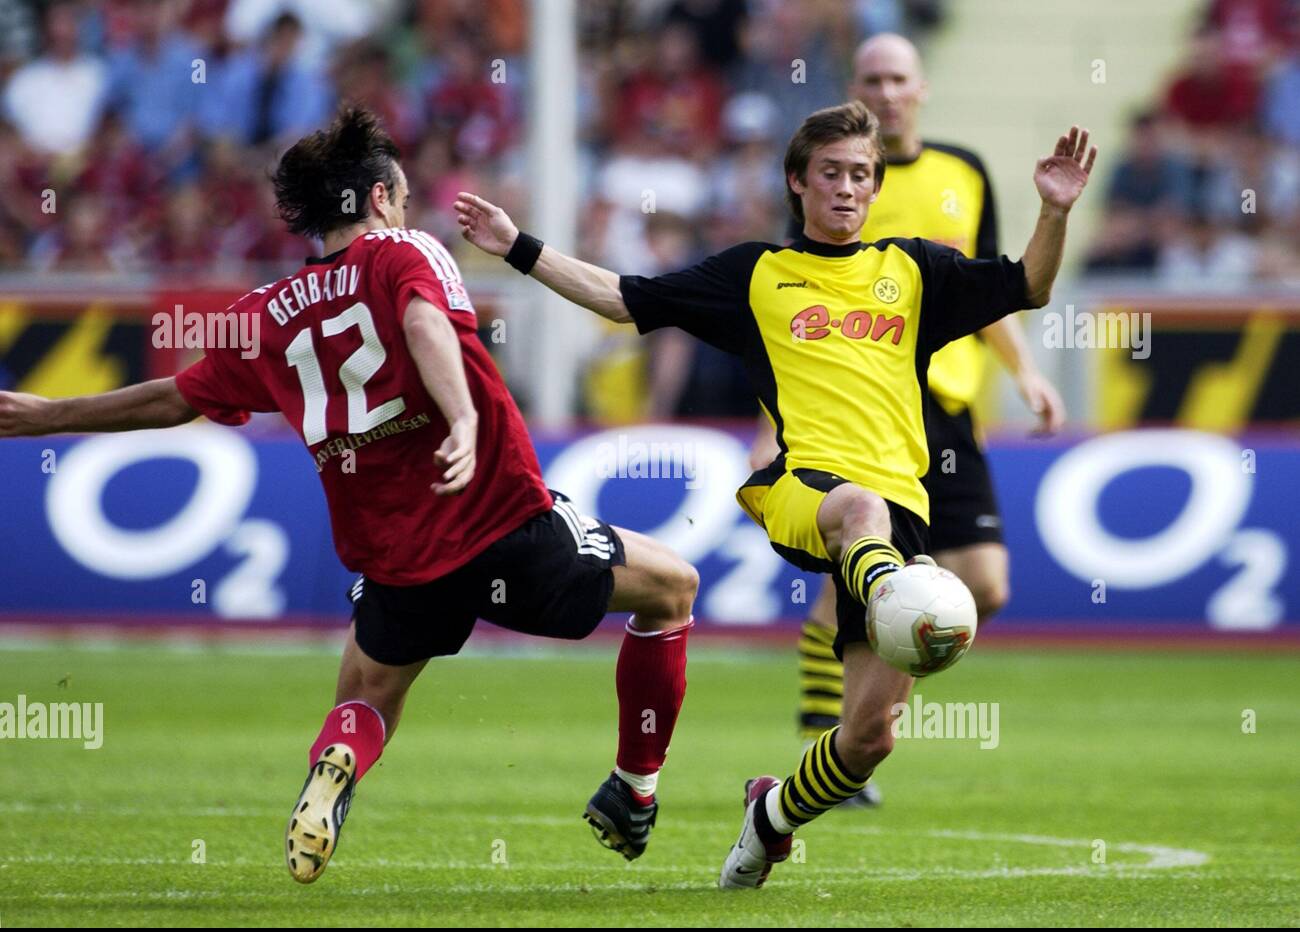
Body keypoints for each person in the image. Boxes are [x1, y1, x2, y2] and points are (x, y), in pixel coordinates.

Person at [0, 108, 700, 884]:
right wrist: (463, 415)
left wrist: (48, 415)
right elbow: (425, 322)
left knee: (367, 695)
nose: (404, 205)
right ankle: (634, 790)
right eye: (398, 192)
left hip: (397, 561)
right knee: (672, 585)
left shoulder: (263, 314)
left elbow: (177, 397)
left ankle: (339, 758)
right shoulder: (402, 251)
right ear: (378, 195)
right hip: (498, 516)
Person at [455, 100, 1095, 888]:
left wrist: (1054, 210)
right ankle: (897, 594)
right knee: (859, 512)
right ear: (798, 181)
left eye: (862, 174)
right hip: (804, 488)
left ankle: (770, 816)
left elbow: (1029, 285)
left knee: (868, 741)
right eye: (831, 173)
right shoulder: (756, 274)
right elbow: (625, 296)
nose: (848, 188)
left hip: (901, 515)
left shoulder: (914, 271)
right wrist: (516, 247)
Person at [752, 33, 1071, 804]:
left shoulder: (962, 171)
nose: (887, 92)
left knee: (985, 585)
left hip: (950, 400)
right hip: (862, 400)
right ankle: (827, 728)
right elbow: (781, 311)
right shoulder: (834, 176)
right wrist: (773, 424)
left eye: (899, 78)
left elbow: (993, 284)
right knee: (862, 565)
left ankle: (860, 716)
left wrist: (1024, 371)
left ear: (921, 88)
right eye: (872, 80)